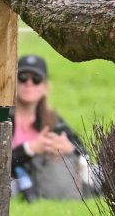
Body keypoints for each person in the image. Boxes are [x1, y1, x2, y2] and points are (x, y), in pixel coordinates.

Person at [11, 54, 97, 201]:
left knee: (99, 172)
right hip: (15, 181)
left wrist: (69, 149)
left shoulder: (53, 121)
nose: (29, 84)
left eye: (36, 79)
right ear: (13, 82)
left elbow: (83, 153)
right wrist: (29, 149)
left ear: (45, 87)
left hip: (48, 179)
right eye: (23, 77)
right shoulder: (4, 118)